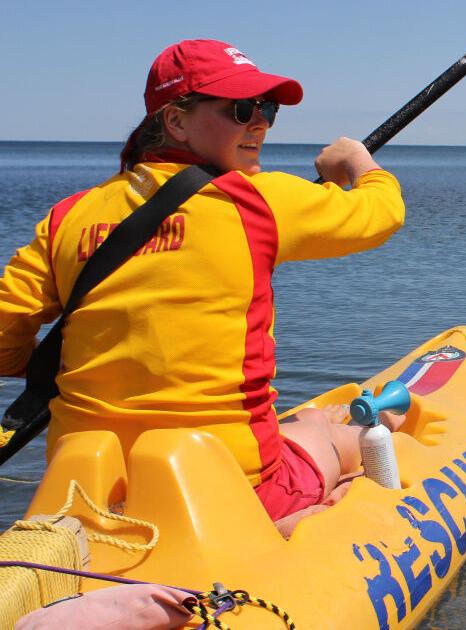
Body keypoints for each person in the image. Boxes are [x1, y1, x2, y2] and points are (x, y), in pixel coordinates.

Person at [0, 40, 406, 535]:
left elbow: (4, 333)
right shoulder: (261, 199)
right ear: (175, 121)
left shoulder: (67, 216)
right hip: (233, 481)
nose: (259, 123)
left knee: (307, 423)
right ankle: (328, 483)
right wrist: (357, 162)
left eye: (267, 109)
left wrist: (48, 367)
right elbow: (383, 215)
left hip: (84, 484)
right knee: (336, 436)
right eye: (241, 109)